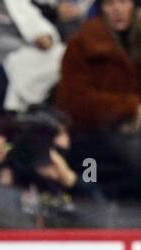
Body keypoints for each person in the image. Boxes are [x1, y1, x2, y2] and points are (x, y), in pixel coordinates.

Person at [56, 0, 141, 199]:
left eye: (123, 2)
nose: (117, 9)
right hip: (92, 138)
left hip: (130, 133)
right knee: (92, 174)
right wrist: (130, 108)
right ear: (101, 8)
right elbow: (73, 103)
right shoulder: (82, 45)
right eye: (110, 3)